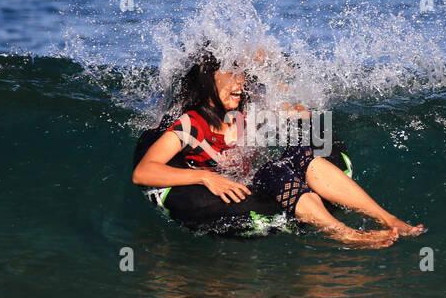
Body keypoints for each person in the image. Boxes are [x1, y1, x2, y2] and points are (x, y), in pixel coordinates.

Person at [132, 50, 424, 248]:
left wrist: (297, 112)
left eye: (242, 76)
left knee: (297, 155)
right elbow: (144, 172)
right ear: (210, 79)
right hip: (219, 194)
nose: (240, 83)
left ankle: (387, 218)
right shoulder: (191, 125)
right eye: (232, 75)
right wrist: (205, 178)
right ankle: (345, 234)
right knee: (276, 171)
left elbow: (284, 112)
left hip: (253, 184)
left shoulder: (244, 112)